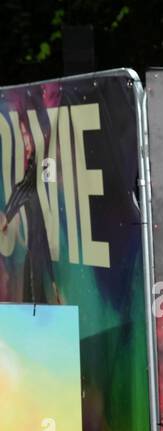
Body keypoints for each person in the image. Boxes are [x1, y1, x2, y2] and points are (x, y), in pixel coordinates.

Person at [0, 110, 60, 305]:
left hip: (43, 253)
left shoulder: (46, 165)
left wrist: (52, 283)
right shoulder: (28, 180)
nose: (26, 144)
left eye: (27, 136)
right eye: (23, 136)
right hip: (36, 252)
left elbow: (27, 188)